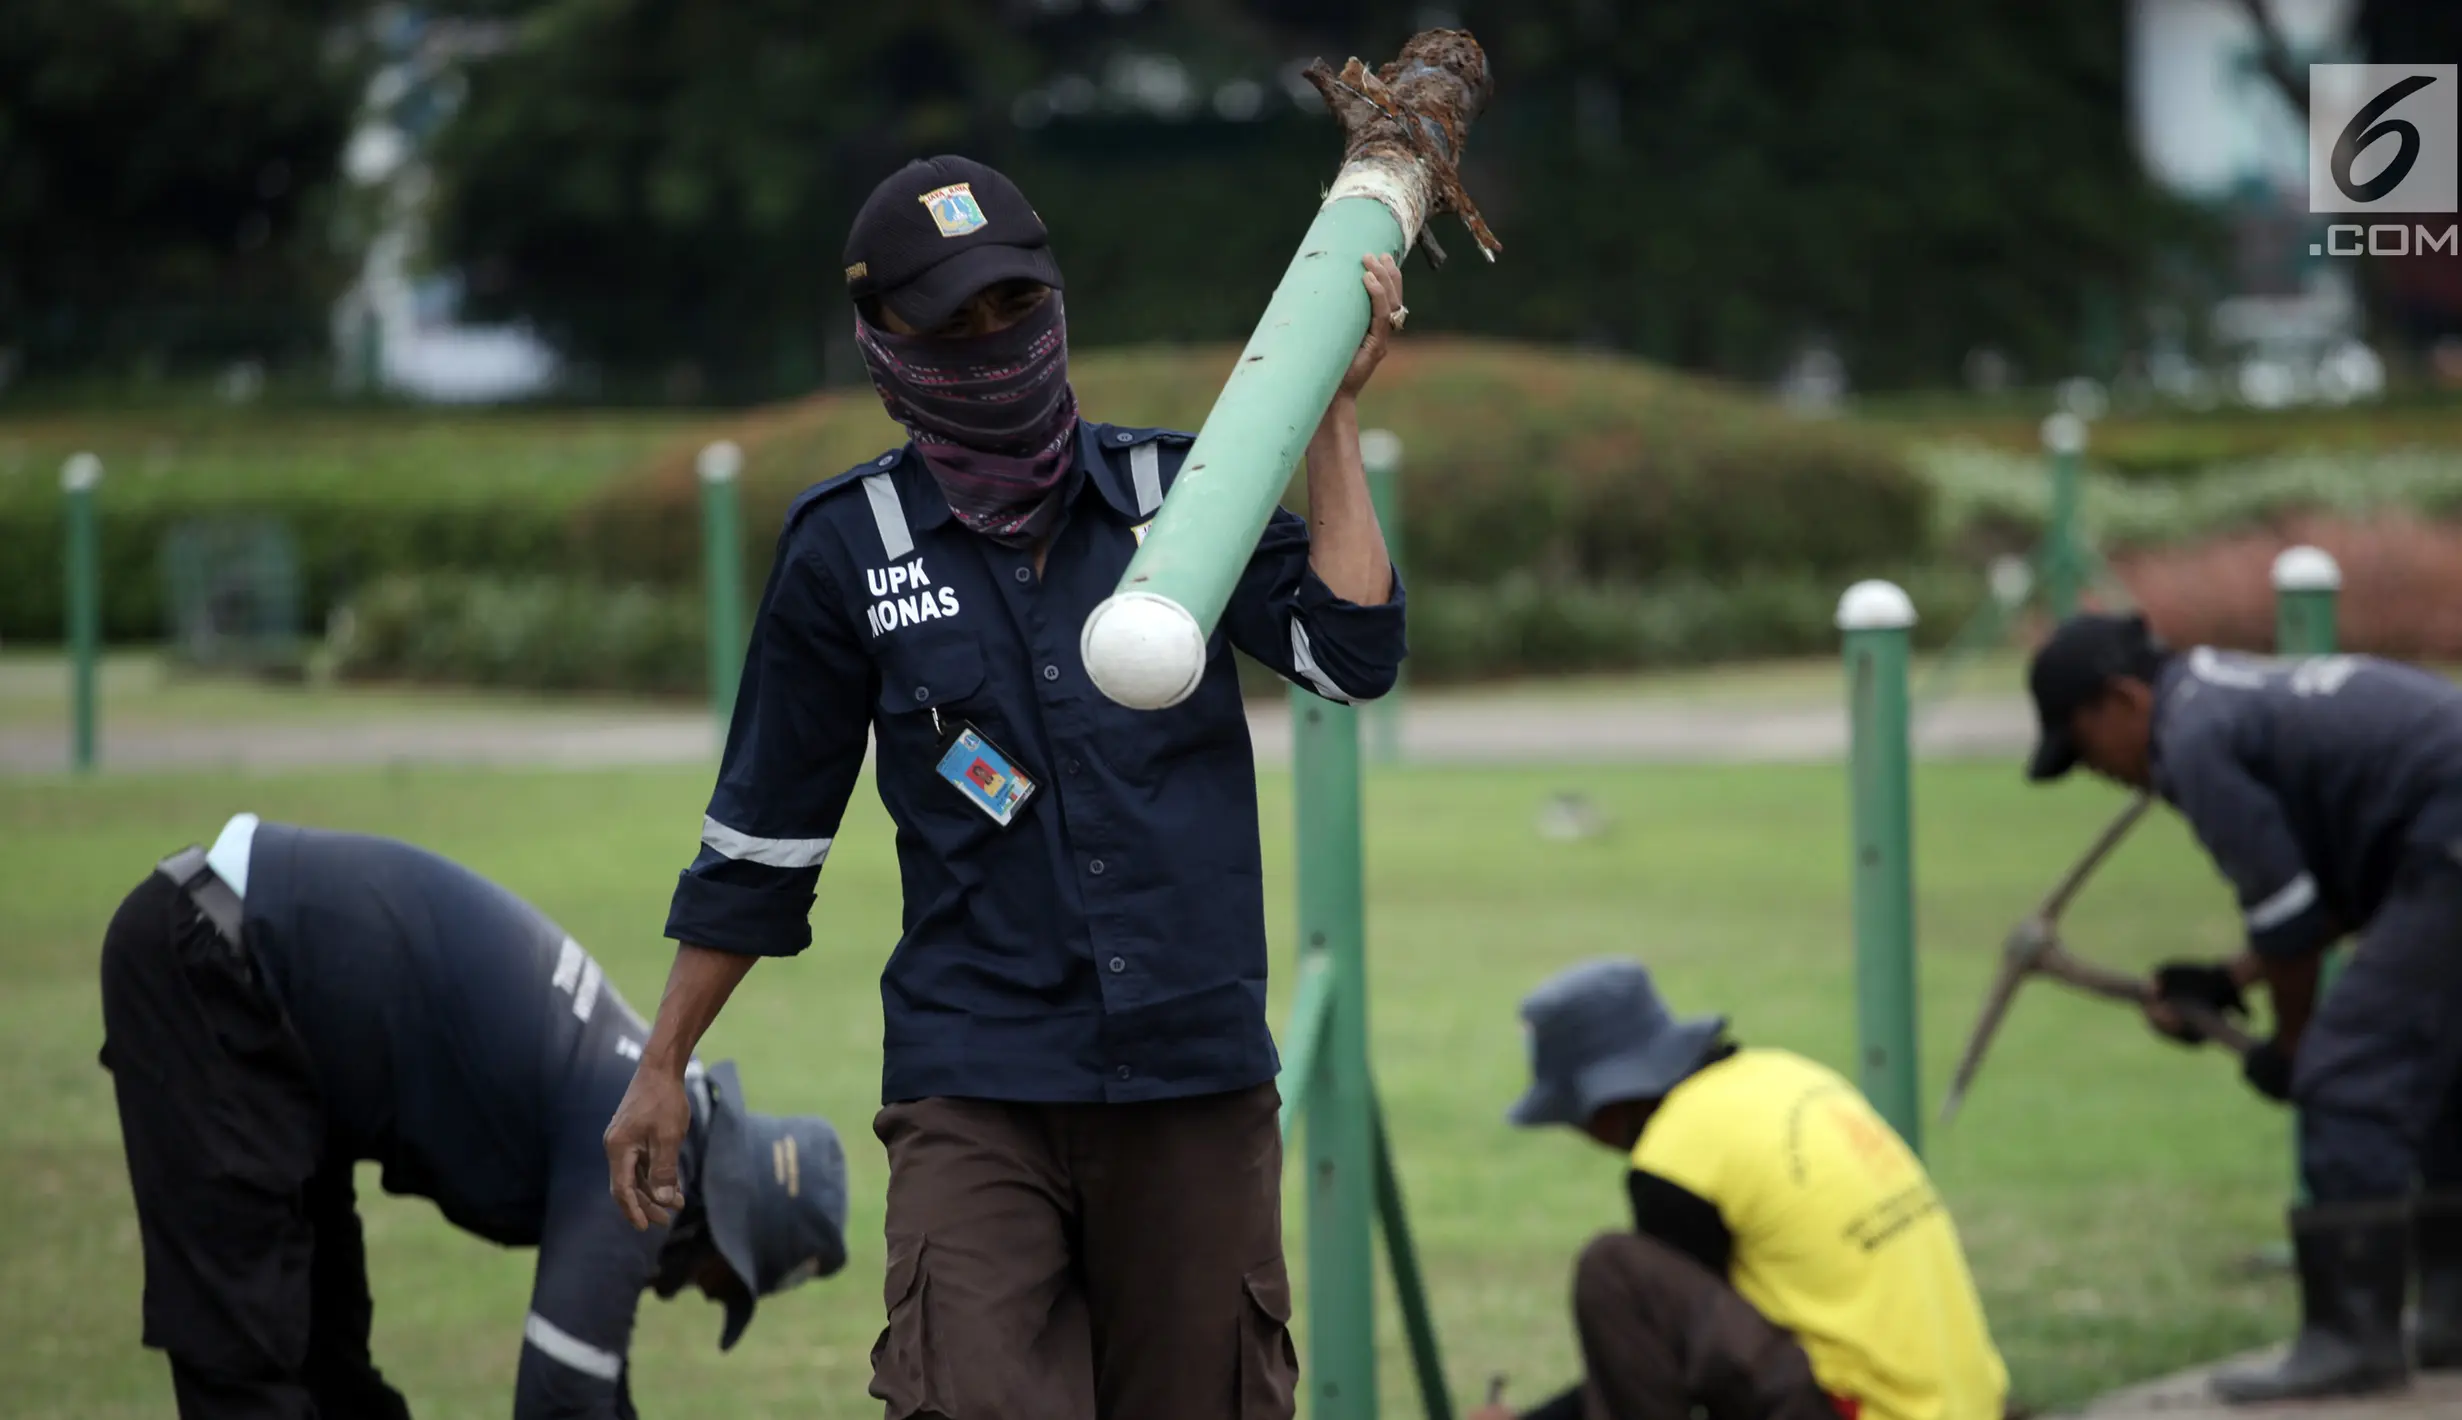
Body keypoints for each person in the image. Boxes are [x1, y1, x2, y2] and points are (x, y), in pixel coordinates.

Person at [601, 153, 1408, 1420]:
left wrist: (1330, 414)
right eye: (950, 324)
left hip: (1191, 1078)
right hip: (976, 1081)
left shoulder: (1176, 495)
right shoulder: (844, 552)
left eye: (1012, 308)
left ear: (1054, 304)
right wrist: (663, 1066)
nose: (993, 344)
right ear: (883, 343)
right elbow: (763, 840)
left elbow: (1348, 657)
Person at [99, 813, 851, 1418]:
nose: (681, 1291)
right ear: (718, 1219)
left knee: (329, 1371)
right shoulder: (651, 1150)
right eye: (719, 1281)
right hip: (219, 967)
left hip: (280, 1018)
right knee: (246, 1364)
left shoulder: (649, 1104)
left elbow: (593, 1378)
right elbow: (561, 1395)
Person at [2024, 611, 2462, 1402]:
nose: (2101, 772)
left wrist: (2296, 1050)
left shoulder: (2192, 742)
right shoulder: (2222, 694)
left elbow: (2289, 918)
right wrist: (2228, 982)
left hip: (2447, 839)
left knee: (2349, 1075)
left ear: (2122, 701)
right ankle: (2453, 1314)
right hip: (2435, 841)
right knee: (2436, 1067)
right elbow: (2335, 894)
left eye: (2084, 749)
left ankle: (2351, 1339)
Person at [1472, 960, 2008, 1420]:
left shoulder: (1678, 1157)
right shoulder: (1780, 1076)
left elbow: (1656, 1356)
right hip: (1963, 1404)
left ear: (1606, 1102)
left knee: (1612, 1270)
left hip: (1864, 1410)